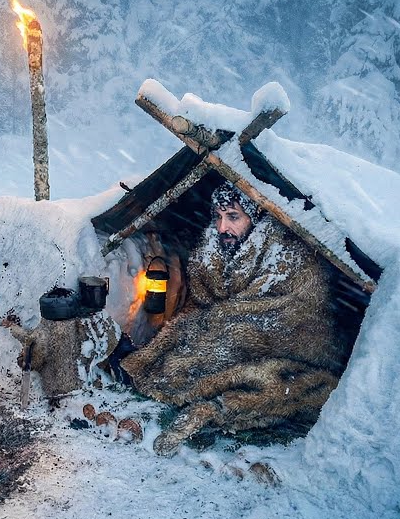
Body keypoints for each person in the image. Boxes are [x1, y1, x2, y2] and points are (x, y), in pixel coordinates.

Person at [109, 181, 346, 456]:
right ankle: (153, 373)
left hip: (286, 341)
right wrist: (191, 331)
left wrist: (214, 329)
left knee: (214, 362)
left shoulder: (290, 259)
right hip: (226, 329)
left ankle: (197, 401)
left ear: (255, 218)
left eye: (233, 217)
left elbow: (290, 317)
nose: (223, 228)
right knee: (187, 346)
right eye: (218, 217)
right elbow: (201, 304)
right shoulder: (211, 252)